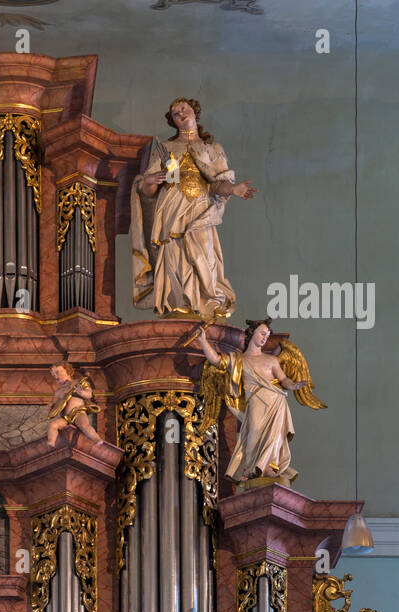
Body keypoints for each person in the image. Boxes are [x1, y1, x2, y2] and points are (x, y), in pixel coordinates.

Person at [131, 97, 256, 319]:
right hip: (171, 206)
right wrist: (149, 181)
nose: (180, 113)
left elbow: (218, 183)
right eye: (175, 112)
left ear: (194, 112)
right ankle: (178, 304)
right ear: (173, 121)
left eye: (183, 108)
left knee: (204, 254)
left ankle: (204, 304)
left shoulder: (211, 148)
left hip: (200, 208)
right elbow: (147, 192)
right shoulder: (165, 148)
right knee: (174, 255)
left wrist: (233, 189)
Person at [194, 318, 313, 488]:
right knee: (254, 431)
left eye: (268, 335)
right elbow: (216, 360)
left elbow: (284, 379)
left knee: (275, 436)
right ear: (252, 334)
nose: (265, 337)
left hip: (276, 401)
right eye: (262, 333)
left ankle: (270, 467)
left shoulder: (272, 361)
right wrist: (203, 340)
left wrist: (294, 385)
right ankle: (250, 468)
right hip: (255, 402)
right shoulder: (239, 360)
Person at [47, 363, 104, 448]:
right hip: (66, 418)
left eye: (58, 372)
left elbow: (90, 394)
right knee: (53, 425)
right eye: (54, 375)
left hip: (78, 412)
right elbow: (55, 405)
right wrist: (51, 406)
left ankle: (97, 439)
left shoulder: (79, 382)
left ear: (68, 371)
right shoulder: (58, 392)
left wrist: (81, 392)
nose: (56, 376)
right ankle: (51, 442)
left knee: (84, 425)